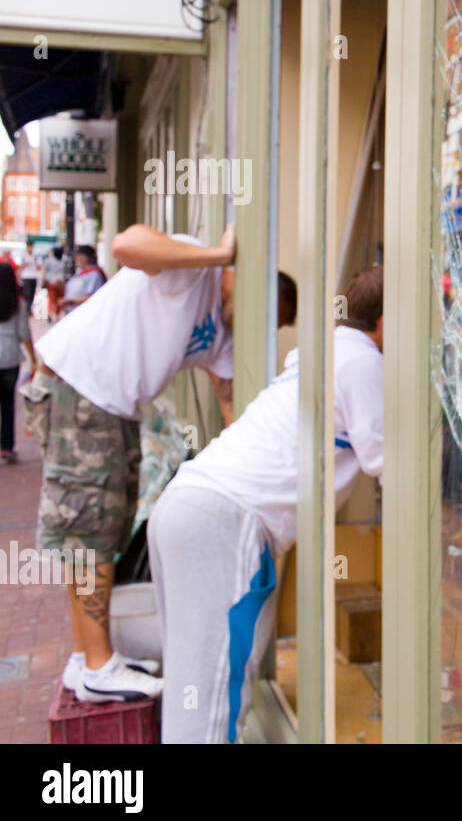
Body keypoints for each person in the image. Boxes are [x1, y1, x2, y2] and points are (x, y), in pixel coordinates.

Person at [22, 223, 298, 704]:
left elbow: (231, 404)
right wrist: (217, 254)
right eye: (268, 320)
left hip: (113, 406)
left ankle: (86, 656)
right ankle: (97, 666)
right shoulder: (192, 268)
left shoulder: (225, 331)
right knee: (89, 530)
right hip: (80, 388)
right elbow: (126, 245)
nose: (258, 332)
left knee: (107, 528)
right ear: (256, 293)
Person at [148, 265, 384, 743]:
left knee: (198, 687)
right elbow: (391, 463)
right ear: (391, 319)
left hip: (189, 506)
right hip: (224, 522)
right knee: (213, 703)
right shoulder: (363, 364)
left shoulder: (322, 353)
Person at [0, 261, 36, 466]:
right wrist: (33, 360)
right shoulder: (17, 304)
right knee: (7, 404)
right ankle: (7, 447)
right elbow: (24, 334)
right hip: (10, 358)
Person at [58, 245, 106, 315]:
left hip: (85, 315)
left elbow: (95, 297)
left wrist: (71, 301)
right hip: (74, 313)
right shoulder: (80, 272)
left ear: (82, 257)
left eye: (77, 256)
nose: (76, 259)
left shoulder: (95, 274)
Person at [43, 247, 65, 321]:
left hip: (51, 282)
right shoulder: (63, 261)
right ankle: (57, 314)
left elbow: (45, 271)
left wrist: (44, 280)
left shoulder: (49, 260)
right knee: (58, 299)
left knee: (51, 299)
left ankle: (50, 312)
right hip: (60, 282)